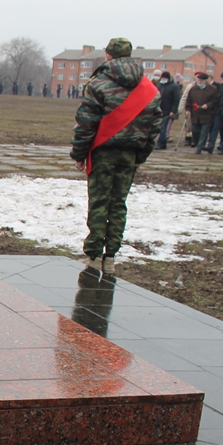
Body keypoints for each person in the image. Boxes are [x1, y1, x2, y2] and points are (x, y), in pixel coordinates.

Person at [70, 38, 161, 275]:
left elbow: (86, 124)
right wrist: (140, 155)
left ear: (108, 56)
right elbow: (154, 127)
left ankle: (93, 255)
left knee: (100, 202)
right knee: (118, 204)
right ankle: (110, 256)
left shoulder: (99, 84)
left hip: (103, 153)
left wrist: (79, 154)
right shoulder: (149, 89)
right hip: (129, 154)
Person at [185, 71, 219, 153]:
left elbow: (215, 100)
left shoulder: (212, 89)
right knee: (195, 131)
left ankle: (199, 148)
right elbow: (189, 101)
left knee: (204, 132)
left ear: (205, 81)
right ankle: (198, 144)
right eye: (198, 80)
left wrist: (208, 105)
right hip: (195, 115)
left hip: (207, 115)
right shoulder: (193, 89)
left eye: (201, 80)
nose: (199, 82)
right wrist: (188, 109)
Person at [154, 71, 181, 150]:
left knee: (163, 127)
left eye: (165, 78)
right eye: (162, 78)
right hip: (158, 109)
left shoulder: (174, 86)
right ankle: (163, 143)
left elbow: (176, 100)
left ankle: (160, 143)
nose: (163, 79)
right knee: (159, 127)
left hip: (167, 110)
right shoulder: (159, 85)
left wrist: (173, 110)